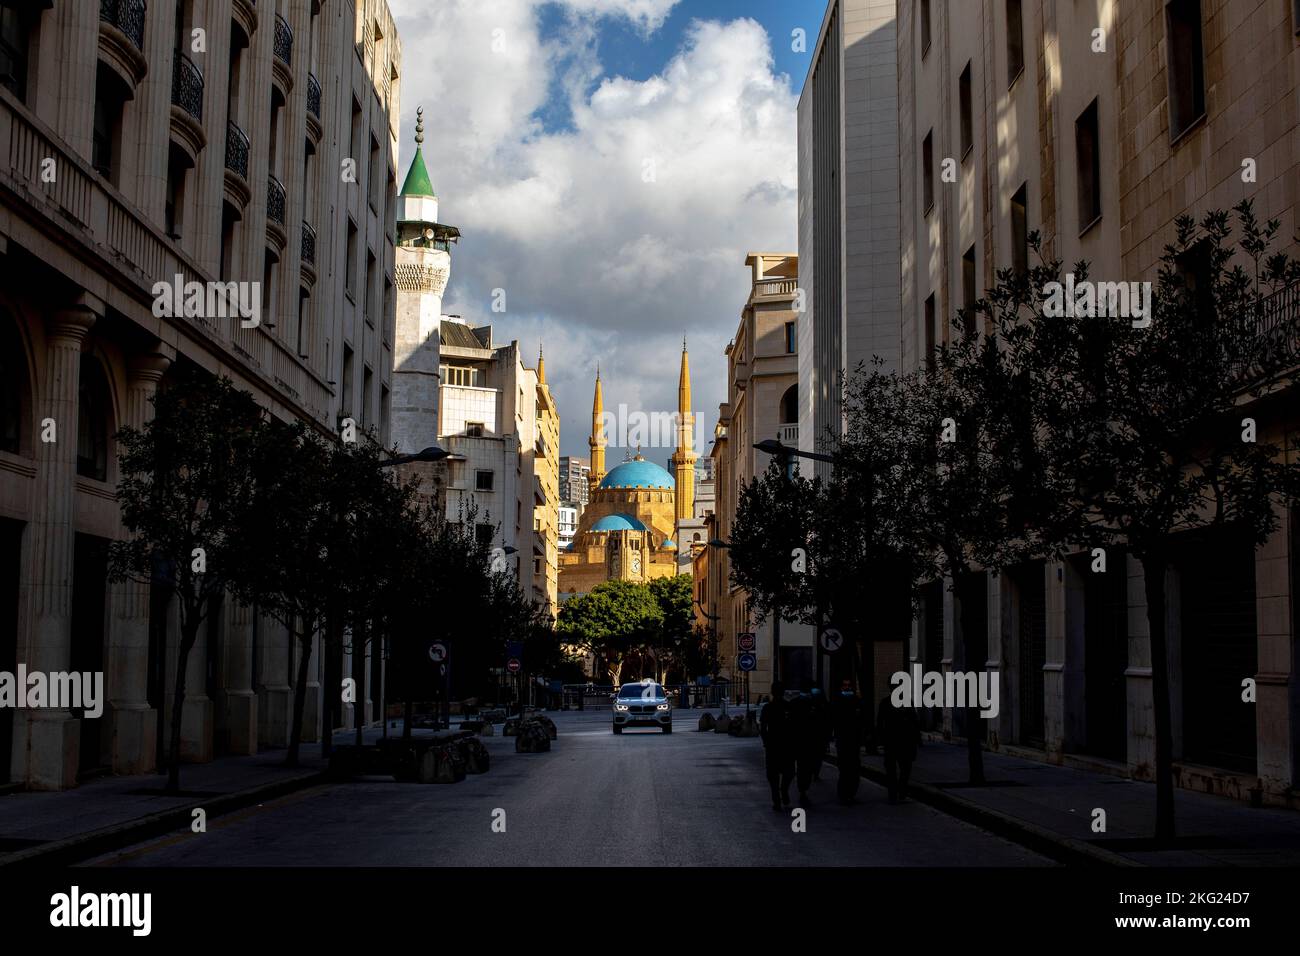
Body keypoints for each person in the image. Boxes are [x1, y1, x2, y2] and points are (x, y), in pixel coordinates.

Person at [876, 694, 921, 803]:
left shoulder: (887, 702)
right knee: (900, 768)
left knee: (898, 769)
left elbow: (880, 721)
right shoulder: (888, 702)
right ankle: (898, 791)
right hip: (897, 741)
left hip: (898, 741)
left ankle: (896, 792)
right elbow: (880, 721)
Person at [759, 680, 794, 811]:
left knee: (776, 774)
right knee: (786, 772)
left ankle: (778, 795)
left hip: (777, 745)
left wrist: (766, 741)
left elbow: (763, 728)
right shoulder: (782, 707)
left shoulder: (772, 708)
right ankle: (780, 793)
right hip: (781, 745)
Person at [789, 680, 823, 803]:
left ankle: (801, 788)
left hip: (798, 741)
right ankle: (803, 789)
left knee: (802, 766)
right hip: (808, 741)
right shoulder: (813, 704)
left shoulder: (793, 703)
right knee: (805, 767)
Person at [831, 679, 863, 805]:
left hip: (854, 741)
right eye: (845, 685)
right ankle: (844, 794)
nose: (847, 687)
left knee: (854, 769)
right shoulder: (837, 701)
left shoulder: (856, 700)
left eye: (849, 685)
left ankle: (851, 793)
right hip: (843, 740)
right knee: (845, 769)